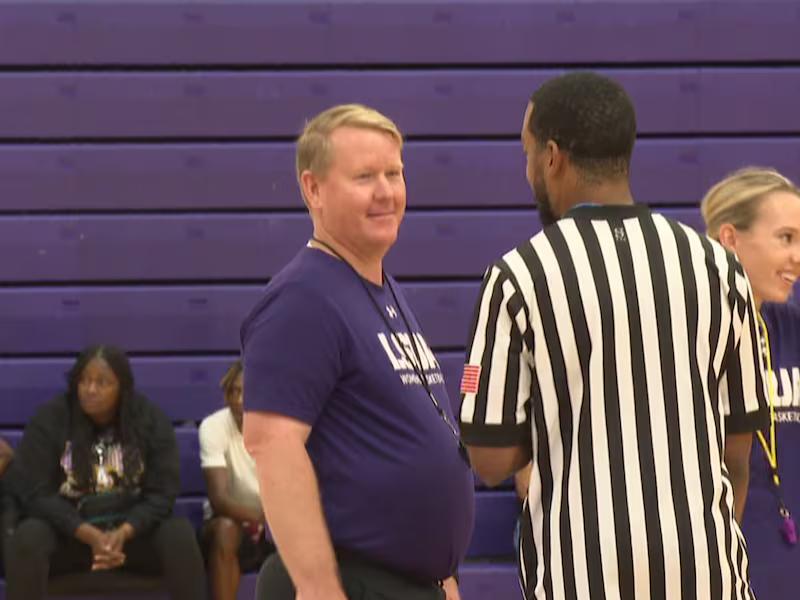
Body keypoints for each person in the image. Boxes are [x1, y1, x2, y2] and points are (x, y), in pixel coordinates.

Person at [459, 72, 768, 599]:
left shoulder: (520, 275)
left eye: (528, 152)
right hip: (706, 571)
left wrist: (567, 418)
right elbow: (738, 452)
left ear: (552, 157)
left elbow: (487, 458)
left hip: (580, 575)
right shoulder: (720, 268)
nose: (528, 167)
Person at [241, 103, 474, 600]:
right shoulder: (303, 298)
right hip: (350, 584)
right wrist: (318, 588)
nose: (386, 192)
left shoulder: (376, 285)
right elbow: (272, 446)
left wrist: (442, 576)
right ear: (313, 189)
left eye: (394, 173)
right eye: (365, 176)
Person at [3, 345, 207, 600]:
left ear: (121, 387)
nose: (90, 390)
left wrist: (123, 533)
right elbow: (36, 493)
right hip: (70, 538)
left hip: (130, 538)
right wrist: (87, 534)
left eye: (102, 382)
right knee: (28, 537)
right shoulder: (51, 419)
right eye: (84, 381)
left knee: (179, 534)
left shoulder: (149, 420)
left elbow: (163, 493)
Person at [701, 167, 800, 599]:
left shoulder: (790, 327)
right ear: (730, 238)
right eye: (786, 238)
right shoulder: (686, 335)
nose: (798, 255)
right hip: (721, 569)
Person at [199, 359, 272, 600]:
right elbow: (219, 500)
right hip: (234, 522)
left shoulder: (284, 428)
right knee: (225, 530)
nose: (239, 400)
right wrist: (261, 519)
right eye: (234, 391)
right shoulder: (213, 426)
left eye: (247, 393)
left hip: (274, 526)